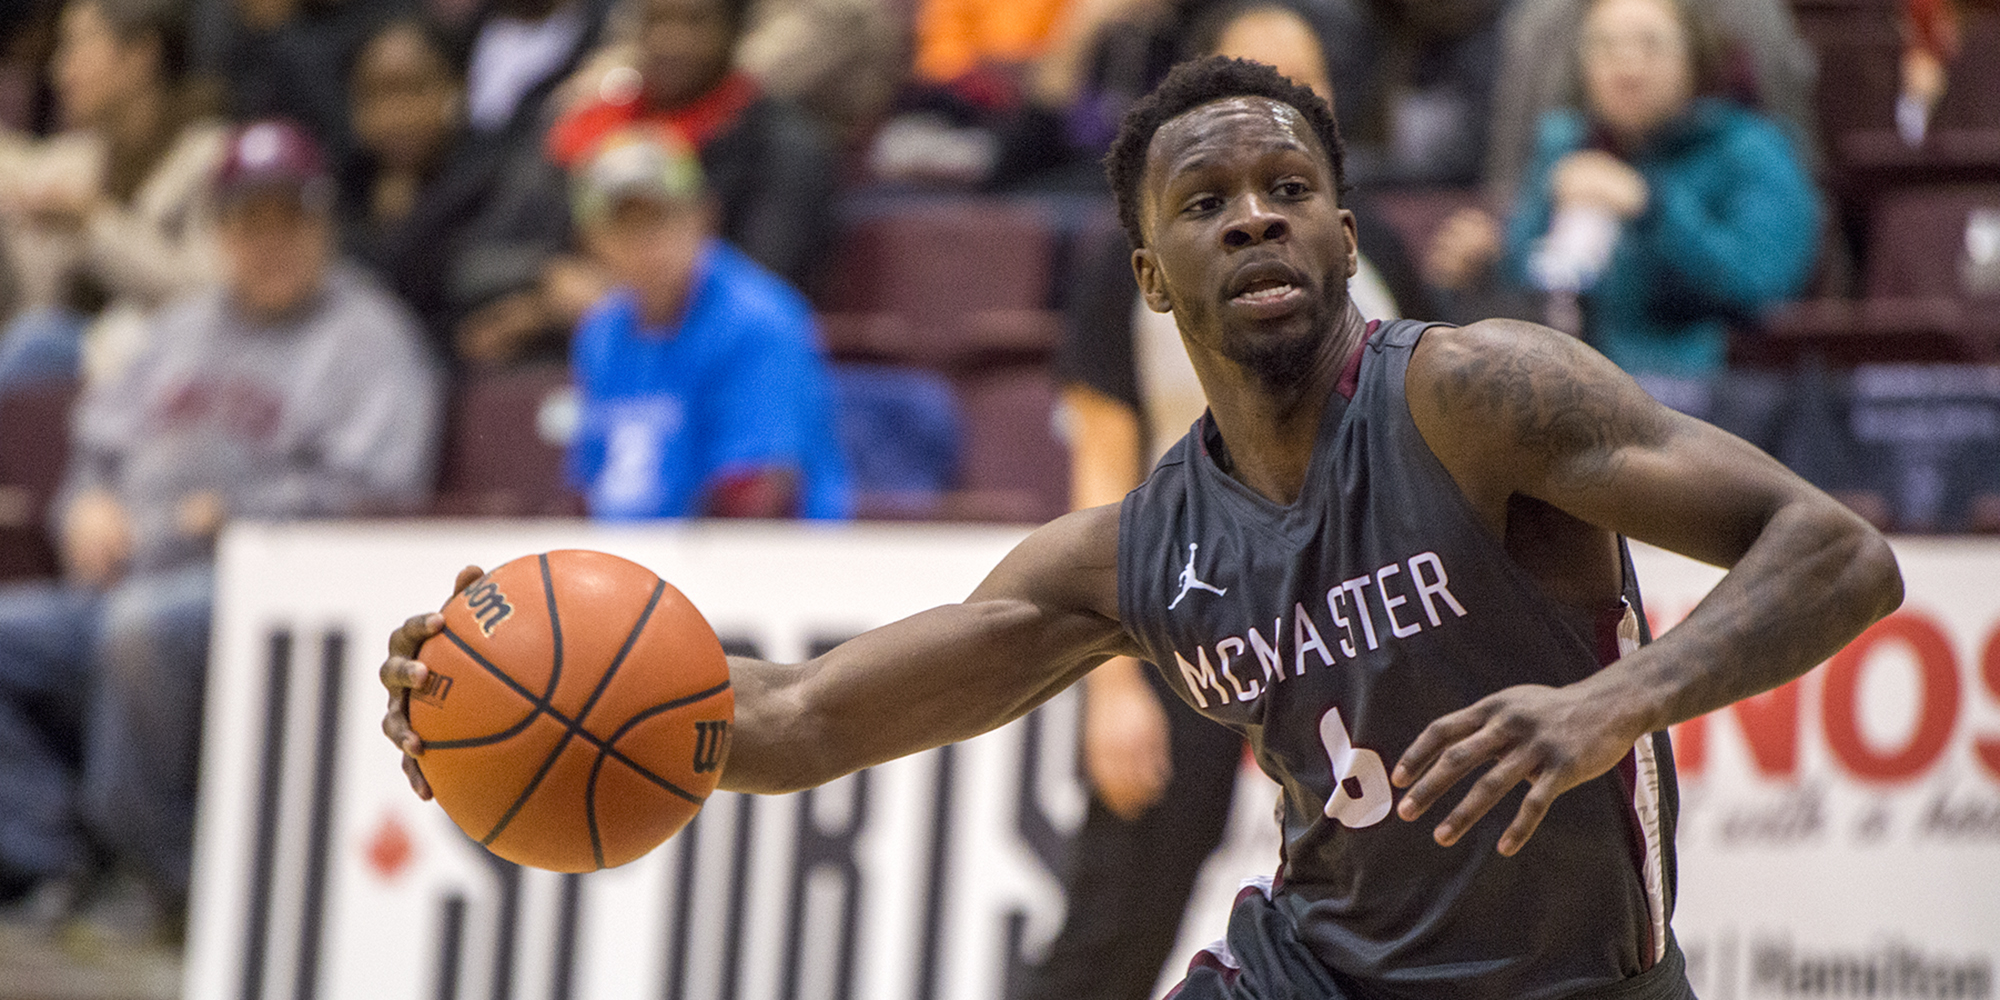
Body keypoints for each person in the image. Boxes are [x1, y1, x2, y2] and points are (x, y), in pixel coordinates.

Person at [382, 57, 1902, 998]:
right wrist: (481, 706)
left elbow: (1835, 552)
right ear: (1151, 277)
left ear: (1344, 235)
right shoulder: (1129, 556)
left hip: (1583, 985)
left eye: (1289, 187)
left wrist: (1607, 705)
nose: (1254, 214)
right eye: (1208, 200)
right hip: (1311, 972)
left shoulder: (1481, 394)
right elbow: (783, 721)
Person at [1023, 7, 1422, 997]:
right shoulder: (1126, 261)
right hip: (1192, 600)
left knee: (1412, 912)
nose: (1279, 95)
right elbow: (1104, 463)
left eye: (1302, 76)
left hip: (1359, 606)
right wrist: (1110, 682)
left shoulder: (1378, 252)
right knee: (1115, 921)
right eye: (1254, 73)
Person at [0, 119, 442, 941]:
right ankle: (56, 857)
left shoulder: (371, 341)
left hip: (269, 591)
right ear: (222, 232)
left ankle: (173, 881)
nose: (268, 240)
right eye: (248, 220)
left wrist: (243, 513)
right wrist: (83, 507)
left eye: (288, 218)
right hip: (124, 576)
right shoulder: (179, 328)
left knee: (141, 630)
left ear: (323, 225)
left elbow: (380, 495)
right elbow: (94, 454)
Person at [1426, 0, 1821, 420]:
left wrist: (1649, 206)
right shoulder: (1563, 147)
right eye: (1606, 47)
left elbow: (1761, 285)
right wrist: (1484, 264)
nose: (1627, 68)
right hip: (1567, 388)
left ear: (1694, 56)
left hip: (1709, 397)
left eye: (1650, 46)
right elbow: (1533, 284)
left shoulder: (1754, 150)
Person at [564, 127, 850, 520]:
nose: (647, 245)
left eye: (660, 219)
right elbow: (590, 481)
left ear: (702, 216)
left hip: (751, 566)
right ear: (594, 240)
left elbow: (758, 496)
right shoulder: (600, 331)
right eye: (625, 227)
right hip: (635, 563)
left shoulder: (759, 321)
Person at [0, 0, 228, 393]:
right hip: (78, 376)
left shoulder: (212, 157)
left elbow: (213, 295)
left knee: (37, 344)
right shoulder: (82, 157)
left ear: (142, 55)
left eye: (77, 45)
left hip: (180, 369)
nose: (59, 69)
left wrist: (94, 225)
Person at [545, 0, 838, 295]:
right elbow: (535, 251)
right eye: (656, 20)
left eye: (695, 21)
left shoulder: (784, 149)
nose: (669, 41)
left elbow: (761, 285)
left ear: (735, 30)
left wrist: (612, 298)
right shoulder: (596, 129)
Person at [340, 16, 576, 363]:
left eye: (414, 89)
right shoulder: (343, 195)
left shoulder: (503, 174)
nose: (396, 115)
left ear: (458, 87)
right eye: (375, 95)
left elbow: (494, 273)